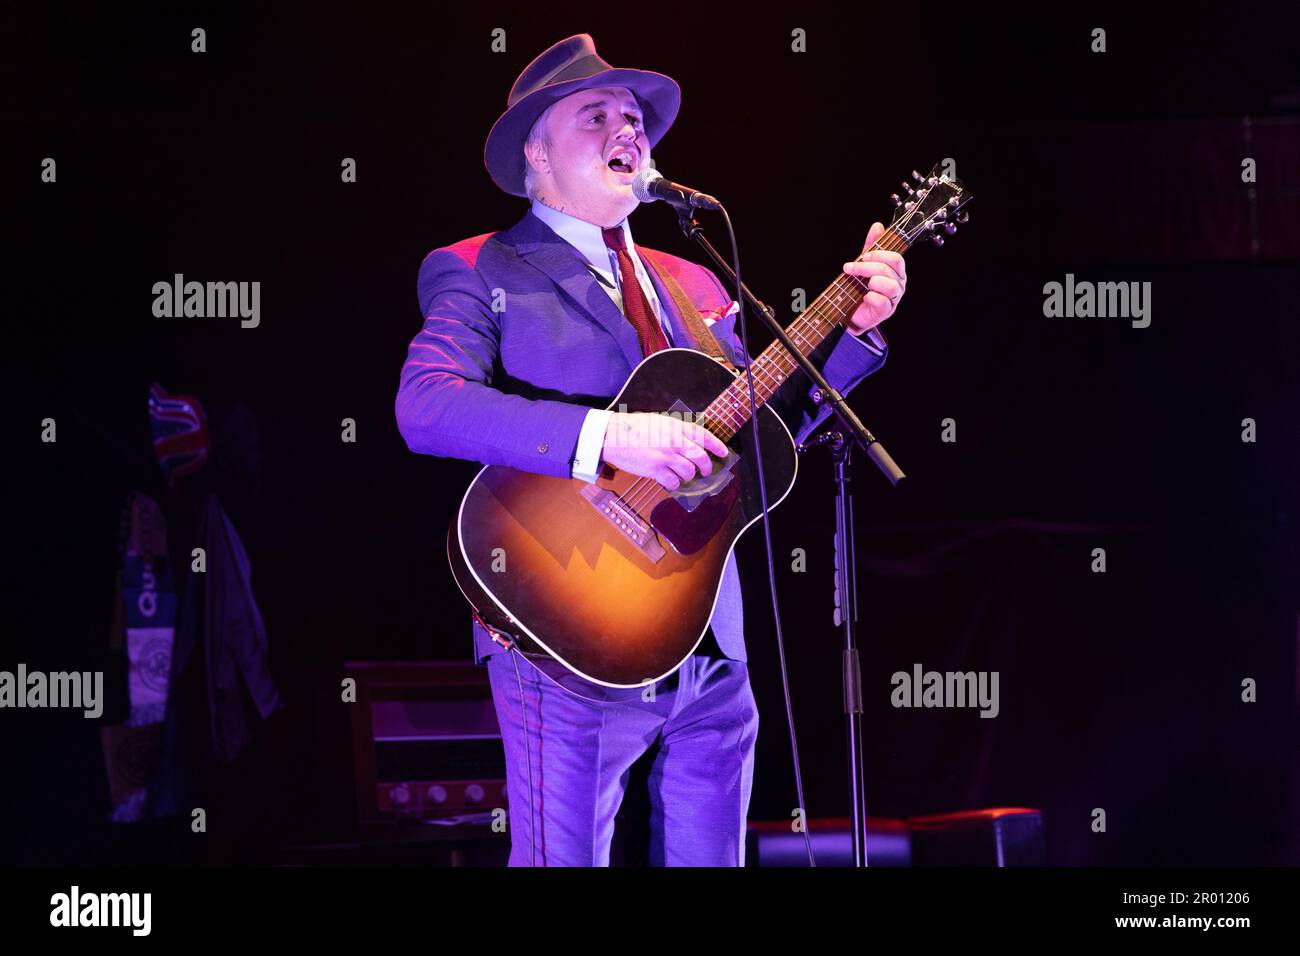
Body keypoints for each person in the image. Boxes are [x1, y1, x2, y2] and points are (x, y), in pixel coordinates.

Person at [394, 34, 906, 866]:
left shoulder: (695, 281)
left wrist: (850, 333)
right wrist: (605, 437)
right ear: (536, 152)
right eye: (594, 116)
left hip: (710, 639)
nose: (624, 129)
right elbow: (426, 407)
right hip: (565, 625)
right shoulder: (480, 267)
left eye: (633, 117)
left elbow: (767, 440)